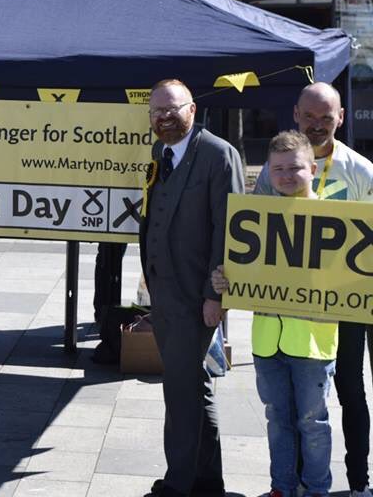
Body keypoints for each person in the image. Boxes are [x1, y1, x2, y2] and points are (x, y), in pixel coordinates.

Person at [255, 82, 373, 497]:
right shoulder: (276, 171)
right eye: (310, 117)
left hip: (348, 301)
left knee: (350, 389)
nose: (318, 125)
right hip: (293, 309)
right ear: (295, 114)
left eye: (327, 117)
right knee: (300, 403)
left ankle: (359, 481)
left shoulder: (362, 172)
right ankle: (300, 483)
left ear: (341, 117)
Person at [213, 130, 337, 497]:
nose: (285, 176)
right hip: (268, 342)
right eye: (278, 168)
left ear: (312, 168)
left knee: (313, 423)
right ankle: (281, 488)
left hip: (313, 343)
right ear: (267, 170)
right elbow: (245, 273)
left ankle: (316, 490)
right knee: (278, 420)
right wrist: (226, 279)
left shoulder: (335, 219)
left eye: (295, 168)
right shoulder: (257, 217)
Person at [140, 78, 244, 497]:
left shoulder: (219, 154)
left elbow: (230, 230)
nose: (164, 117)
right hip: (165, 293)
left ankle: (177, 485)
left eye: (172, 109)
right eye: (156, 111)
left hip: (196, 296)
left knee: (179, 394)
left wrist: (215, 296)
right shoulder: (158, 152)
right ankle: (207, 480)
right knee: (192, 386)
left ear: (193, 109)